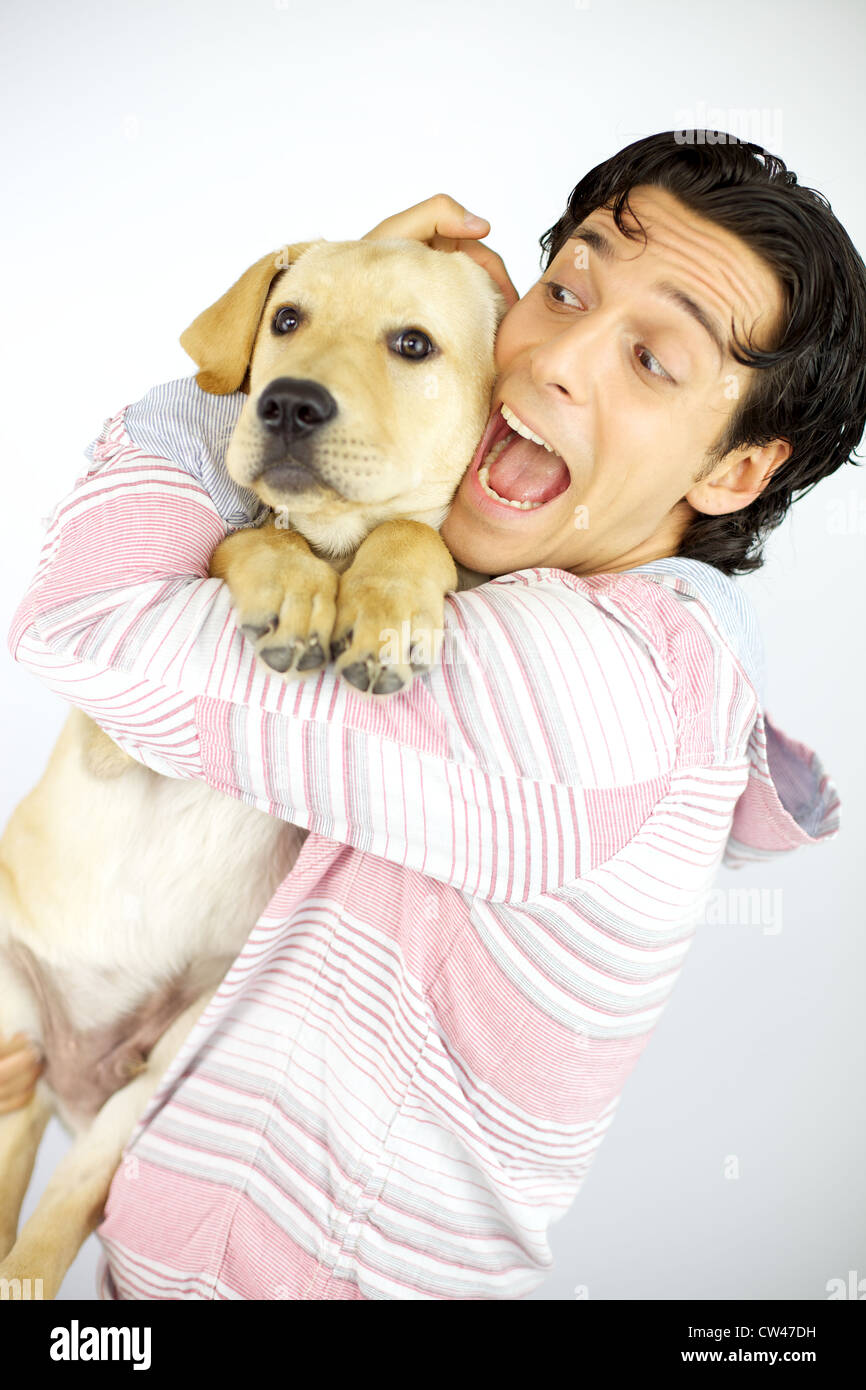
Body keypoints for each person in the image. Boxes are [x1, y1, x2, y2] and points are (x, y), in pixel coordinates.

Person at [3, 132, 864, 1299]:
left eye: (651, 359)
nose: (555, 358)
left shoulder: (605, 696)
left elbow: (85, 616)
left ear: (732, 473)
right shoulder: (514, 593)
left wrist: (274, 343)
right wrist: (361, 316)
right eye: (561, 290)